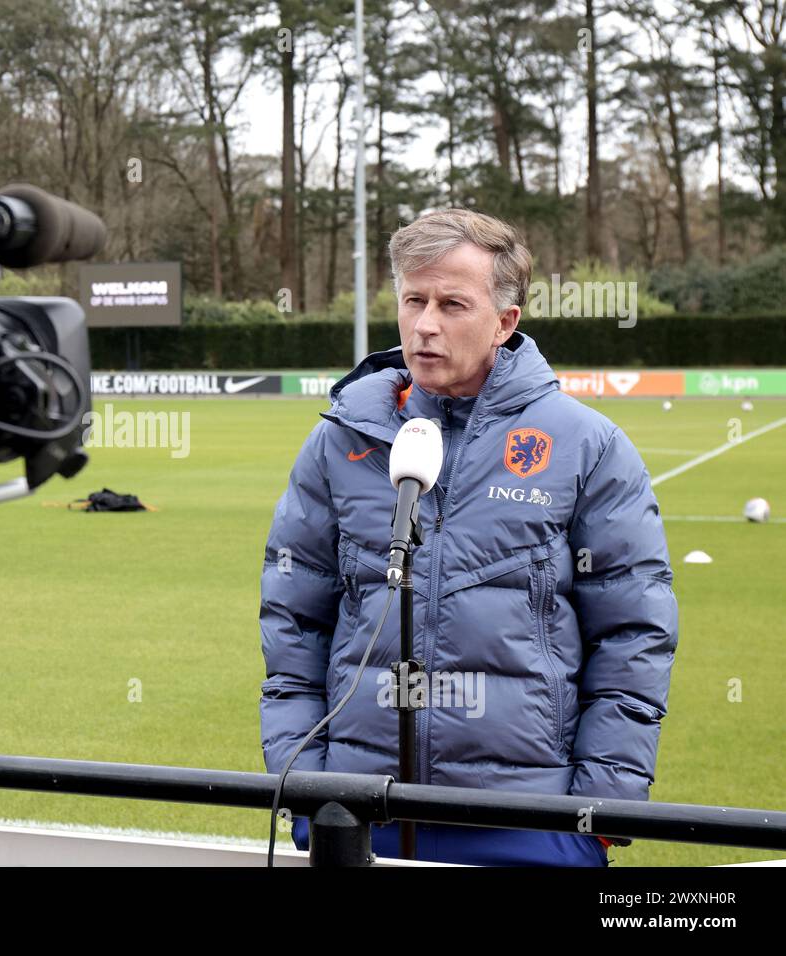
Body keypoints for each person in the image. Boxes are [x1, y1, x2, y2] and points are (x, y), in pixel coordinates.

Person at [258, 209, 678, 866]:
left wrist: (601, 806)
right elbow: (292, 618)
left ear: (505, 321)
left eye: (453, 303)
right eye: (413, 300)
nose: (426, 324)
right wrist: (305, 781)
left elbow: (633, 633)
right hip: (358, 806)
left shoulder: (588, 446)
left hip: (529, 816)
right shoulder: (340, 440)